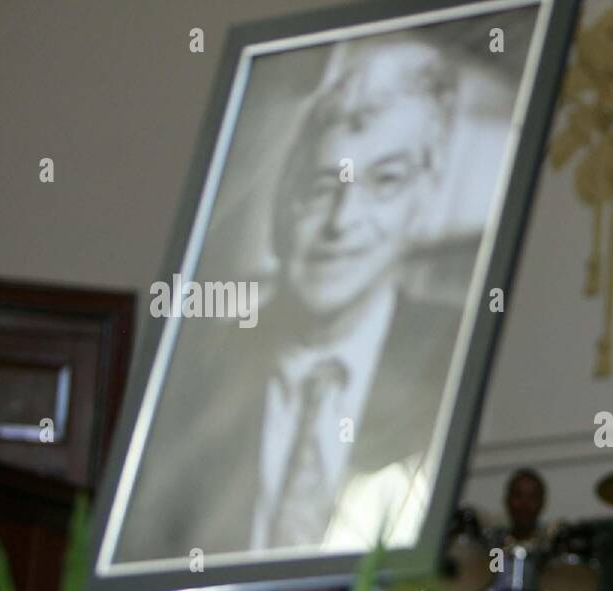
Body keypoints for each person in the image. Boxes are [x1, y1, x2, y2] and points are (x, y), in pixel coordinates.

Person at [117, 38, 463, 563]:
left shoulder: (451, 363)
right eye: (323, 186)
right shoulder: (203, 374)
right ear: (285, 201)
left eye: (385, 181)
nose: (341, 221)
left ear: (427, 192)